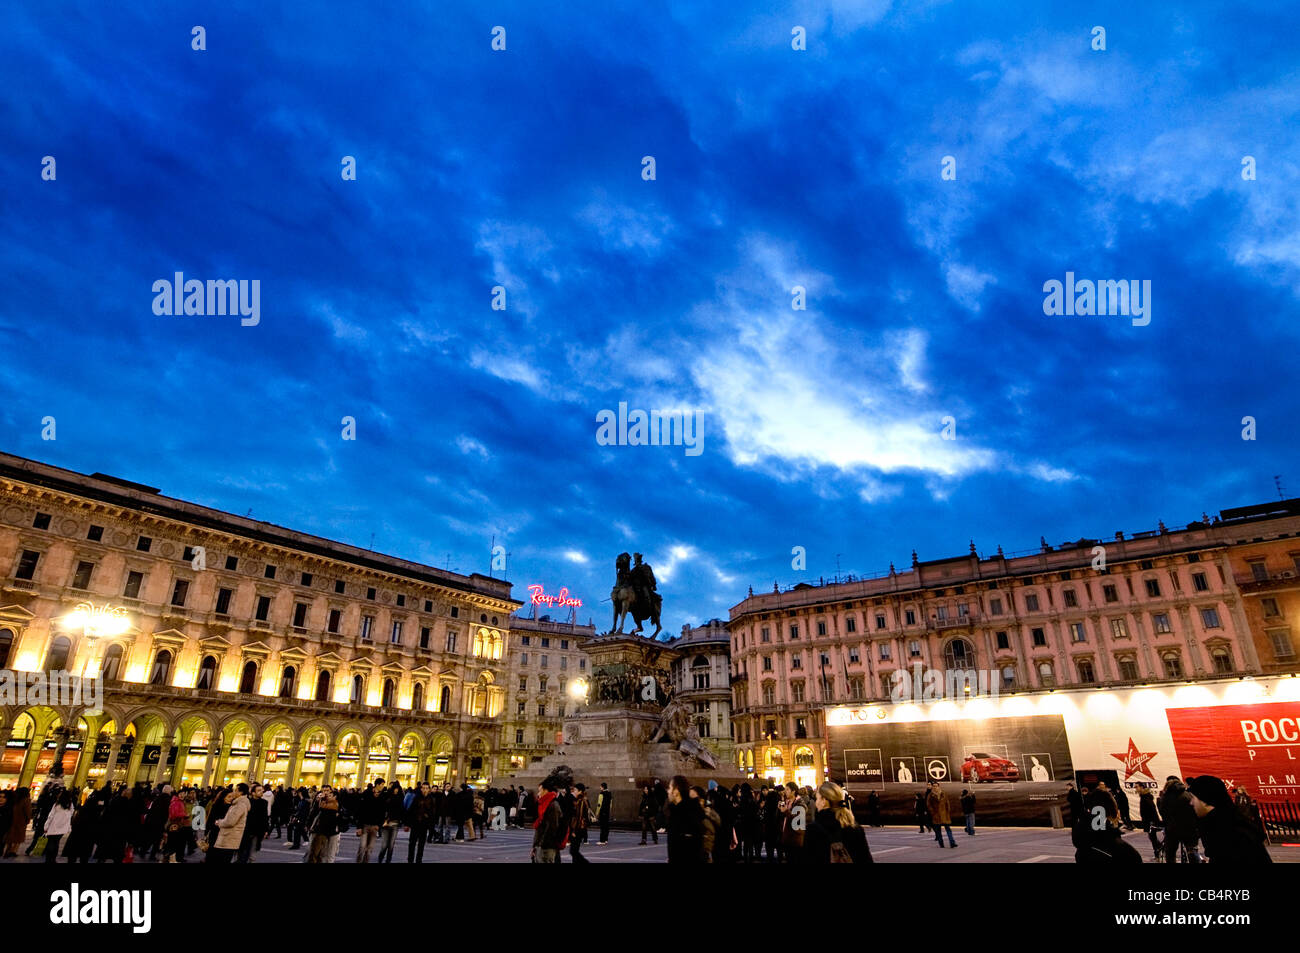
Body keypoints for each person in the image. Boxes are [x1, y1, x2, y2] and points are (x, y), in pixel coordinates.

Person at [1187, 776, 1272, 864]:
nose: (1191, 802)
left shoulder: (1229, 834)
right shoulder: (1221, 823)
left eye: (1193, 798)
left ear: (1204, 799)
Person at [804, 782, 872, 863]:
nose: (816, 802)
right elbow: (866, 858)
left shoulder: (813, 830)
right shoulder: (855, 827)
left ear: (824, 801)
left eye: (817, 798)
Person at [531, 767, 571, 863]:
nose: (538, 794)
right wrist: (535, 846)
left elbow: (552, 827)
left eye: (540, 791)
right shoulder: (544, 805)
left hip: (547, 847)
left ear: (546, 791)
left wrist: (542, 845)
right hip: (541, 846)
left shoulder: (552, 805)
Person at [1158, 777, 1201, 864]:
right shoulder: (1188, 795)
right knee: (1192, 851)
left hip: (1172, 830)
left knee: (1170, 853)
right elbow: (1195, 812)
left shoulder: (1165, 797)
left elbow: (1163, 812)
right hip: (1189, 829)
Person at [666, 775, 705, 863]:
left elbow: (694, 846)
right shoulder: (675, 811)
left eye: (669, 788)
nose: (668, 791)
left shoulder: (687, 813)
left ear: (676, 791)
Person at [208, 785, 249, 864]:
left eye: (235, 790)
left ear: (240, 792)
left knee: (222, 859)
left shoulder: (239, 805)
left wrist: (219, 822)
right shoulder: (237, 804)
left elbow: (230, 822)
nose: (234, 793)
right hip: (225, 837)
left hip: (228, 838)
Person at [305, 788, 341, 863]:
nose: (327, 794)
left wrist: (319, 800)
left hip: (327, 831)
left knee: (323, 853)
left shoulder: (333, 804)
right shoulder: (323, 802)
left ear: (335, 797)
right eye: (324, 791)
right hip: (321, 830)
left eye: (329, 794)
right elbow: (313, 813)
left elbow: (323, 809)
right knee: (315, 852)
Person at [238, 783, 269, 863]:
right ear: (253, 793)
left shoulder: (264, 802)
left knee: (253, 852)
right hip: (247, 830)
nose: (261, 792)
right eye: (259, 791)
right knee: (243, 852)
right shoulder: (247, 802)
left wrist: (266, 830)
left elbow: (265, 817)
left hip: (258, 831)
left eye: (262, 790)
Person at [42, 789, 74, 863]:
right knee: (56, 842)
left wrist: (46, 826)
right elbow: (71, 815)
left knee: (50, 842)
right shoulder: (70, 805)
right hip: (63, 827)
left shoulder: (57, 804)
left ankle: (48, 859)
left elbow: (50, 816)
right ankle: (53, 859)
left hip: (53, 826)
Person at [406, 781, 434, 863]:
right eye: (423, 788)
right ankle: (410, 860)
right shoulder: (416, 798)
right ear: (421, 789)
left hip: (424, 825)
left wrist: (431, 825)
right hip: (415, 824)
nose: (425, 790)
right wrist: (408, 824)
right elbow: (410, 811)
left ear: (429, 789)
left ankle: (419, 860)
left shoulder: (431, 799)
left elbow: (432, 813)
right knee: (412, 844)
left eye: (426, 788)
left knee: (421, 845)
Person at [926, 781, 958, 848]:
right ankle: (941, 844)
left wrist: (947, 811)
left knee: (948, 829)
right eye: (934, 786)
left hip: (944, 815)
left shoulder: (943, 794)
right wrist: (932, 812)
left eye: (936, 786)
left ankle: (952, 842)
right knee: (938, 831)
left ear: (938, 786)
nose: (935, 787)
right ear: (932, 787)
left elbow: (947, 803)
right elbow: (928, 805)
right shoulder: (930, 795)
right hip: (936, 815)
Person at [4, 788, 32, 857]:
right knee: (18, 838)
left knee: (11, 836)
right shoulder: (26, 800)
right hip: (21, 821)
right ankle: (13, 851)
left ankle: (8, 850)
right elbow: (28, 812)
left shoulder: (15, 799)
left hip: (13, 820)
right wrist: (28, 820)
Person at [568, 783, 591, 863]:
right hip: (580, 828)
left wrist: (574, 831)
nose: (574, 792)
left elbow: (579, 816)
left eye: (575, 790)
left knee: (573, 851)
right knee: (574, 850)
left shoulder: (580, 801)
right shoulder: (583, 800)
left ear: (580, 791)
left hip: (578, 829)